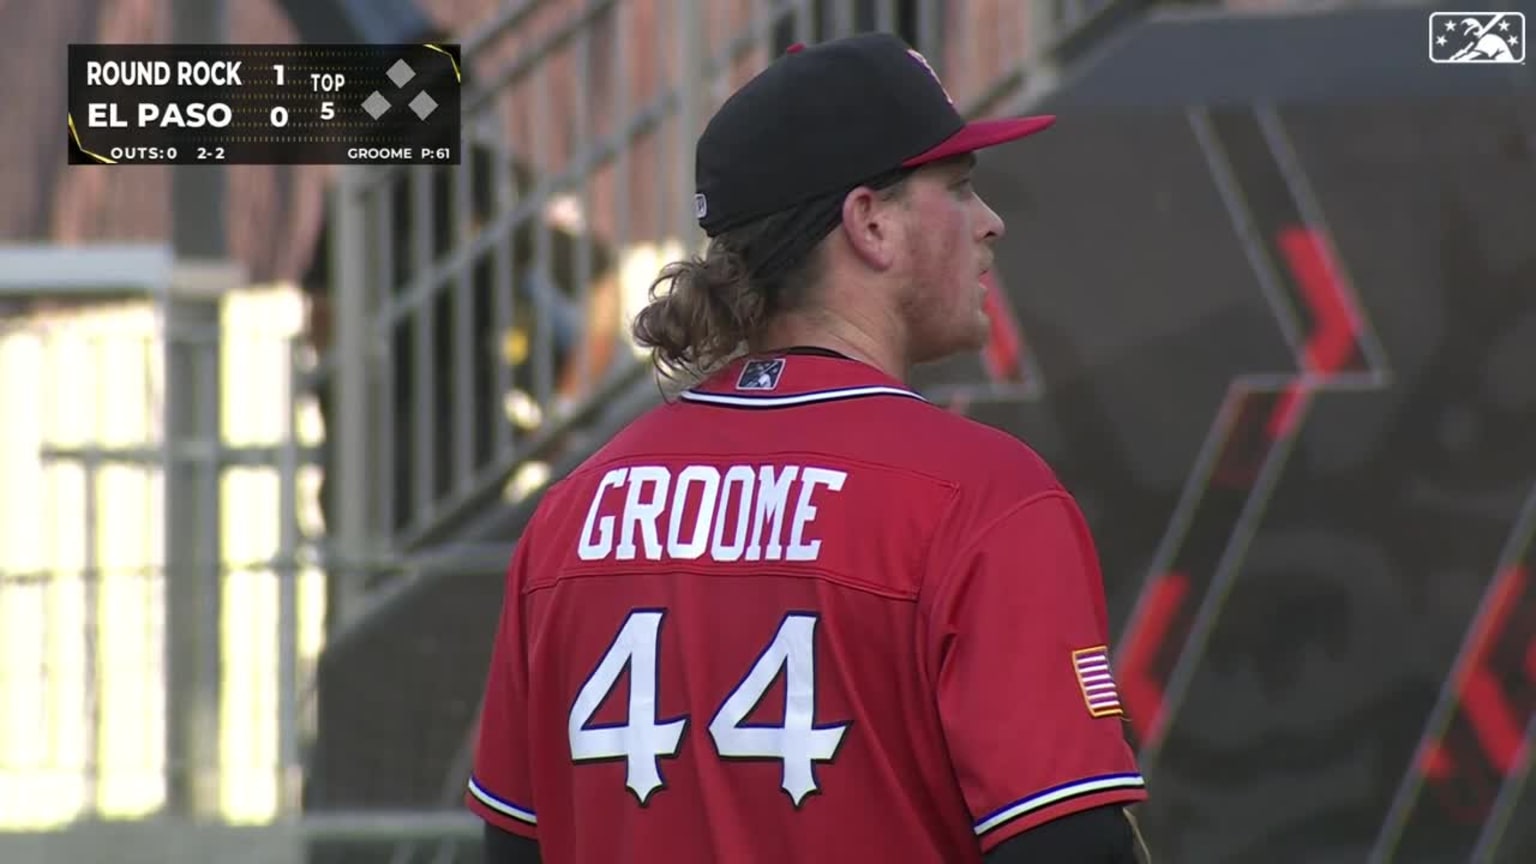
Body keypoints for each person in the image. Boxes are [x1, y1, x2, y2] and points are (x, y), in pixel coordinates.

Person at [465, 32, 1151, 863]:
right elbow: (1068, 848)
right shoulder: (981, 497)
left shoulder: (572, 512)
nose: (990, 222)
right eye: (960, 188)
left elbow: (506, 850)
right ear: (870, 224)